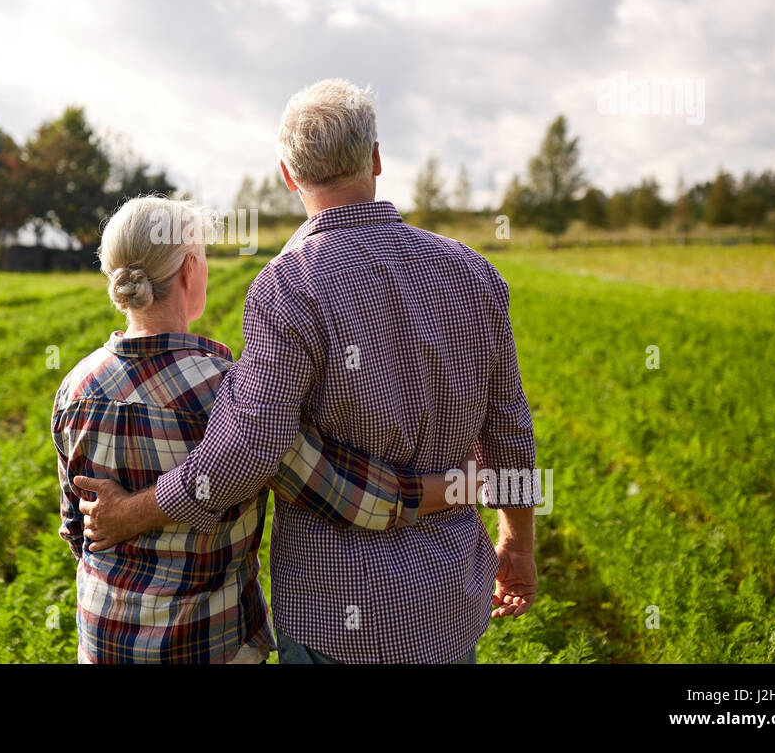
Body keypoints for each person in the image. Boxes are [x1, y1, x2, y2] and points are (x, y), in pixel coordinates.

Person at [79, 79, 540, 664]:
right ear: (375, 158)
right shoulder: (473, 273)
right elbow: (511, 435)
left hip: (333, 613)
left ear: (288, 175)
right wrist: (517, 547)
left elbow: (246, 453)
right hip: (450, 601)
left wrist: (127, 514)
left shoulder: (287, 287)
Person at [54, 194, 479, 663]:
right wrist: (455, 486)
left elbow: (78, 528)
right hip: (209, 643)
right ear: (190, 270)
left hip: (103, 640)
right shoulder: (230, 392)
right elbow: (343, 492)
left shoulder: (75, 386)